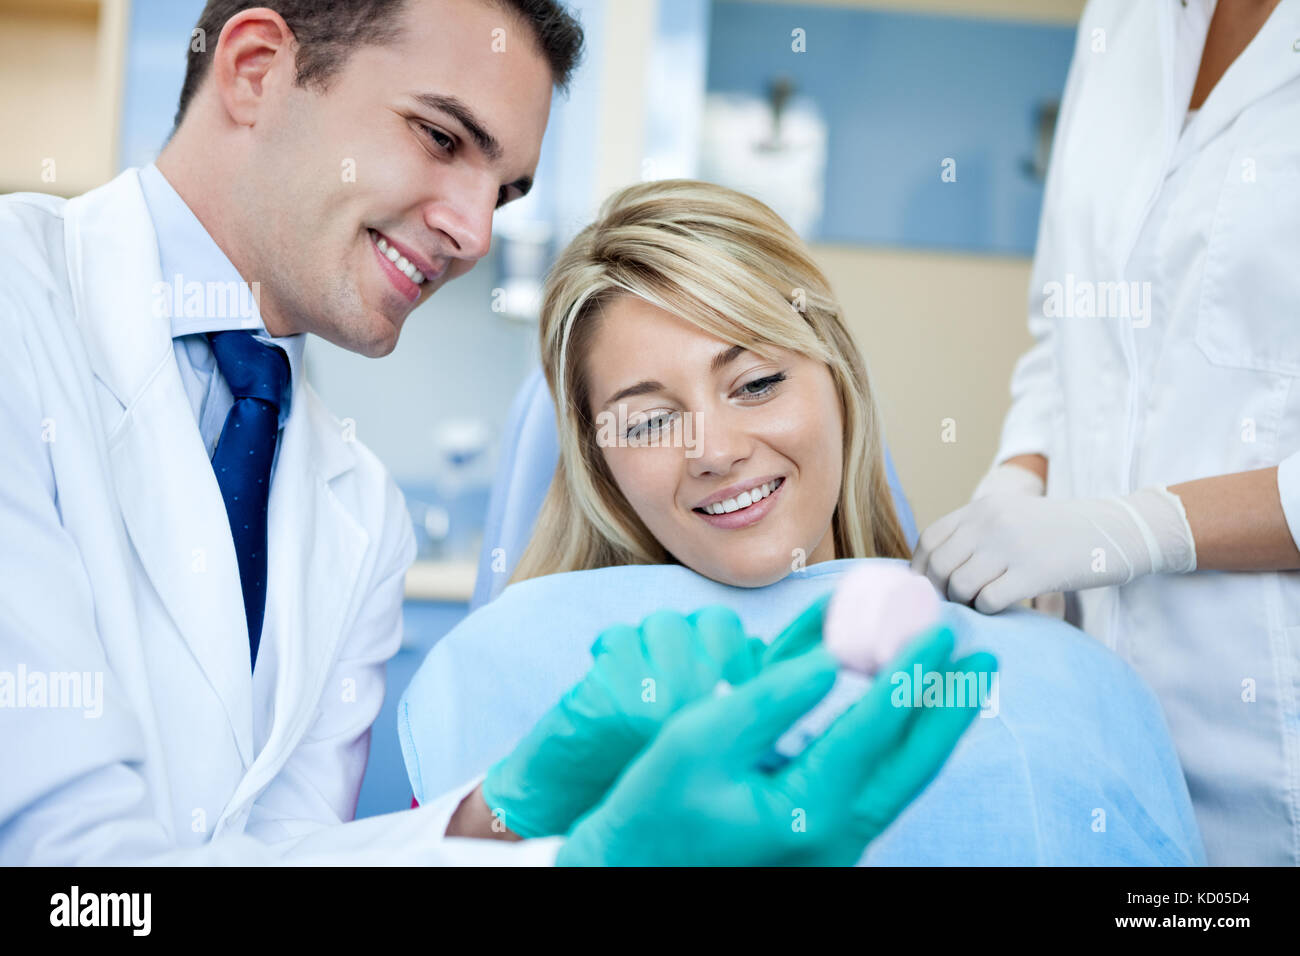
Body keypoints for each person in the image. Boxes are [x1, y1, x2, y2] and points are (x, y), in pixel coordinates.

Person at [0, 0, 971, 867]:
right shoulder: (19, 309)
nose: (474, 230)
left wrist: (501, 811)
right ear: (256, 69)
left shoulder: (356, 508)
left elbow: (281, 852)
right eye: (439, 137)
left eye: (504, 189)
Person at [402, 178, 1202, 865]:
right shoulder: (516, 668)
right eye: (648, 422)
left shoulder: (1057, 677)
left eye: (755, 383)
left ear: (838, 381)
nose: (712, 451)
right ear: (597, 462)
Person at [909, 0, 1300, 864]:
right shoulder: (1122, 22)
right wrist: (1019, 484)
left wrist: (1132, 529)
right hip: (1105, 719)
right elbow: (1067, 331)